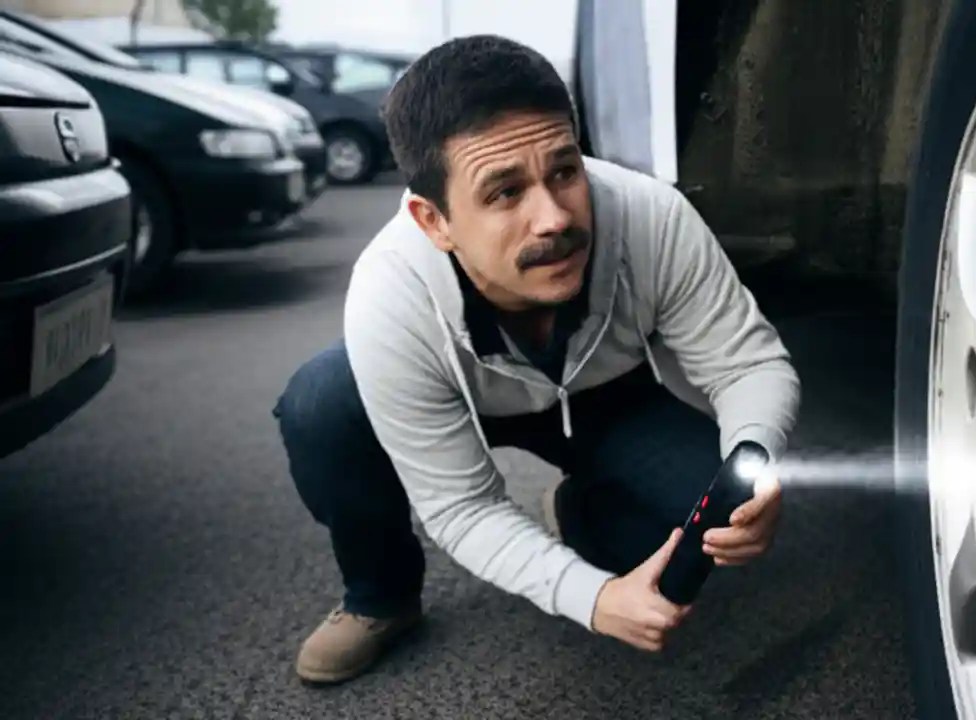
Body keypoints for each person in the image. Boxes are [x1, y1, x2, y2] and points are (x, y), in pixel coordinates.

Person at [272, 34, 801, 685]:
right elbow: (463, 507)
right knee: (321, 401)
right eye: (504, 192)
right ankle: (380, 598)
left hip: (607, 395)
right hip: (462, 397)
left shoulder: (651, 216)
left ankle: (583, 512)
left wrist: (754, 452)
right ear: (433, 220)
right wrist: (592, 599)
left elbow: (747, 364)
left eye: (564, 171)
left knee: (710, 522)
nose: (553, 218)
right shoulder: (389, 290)